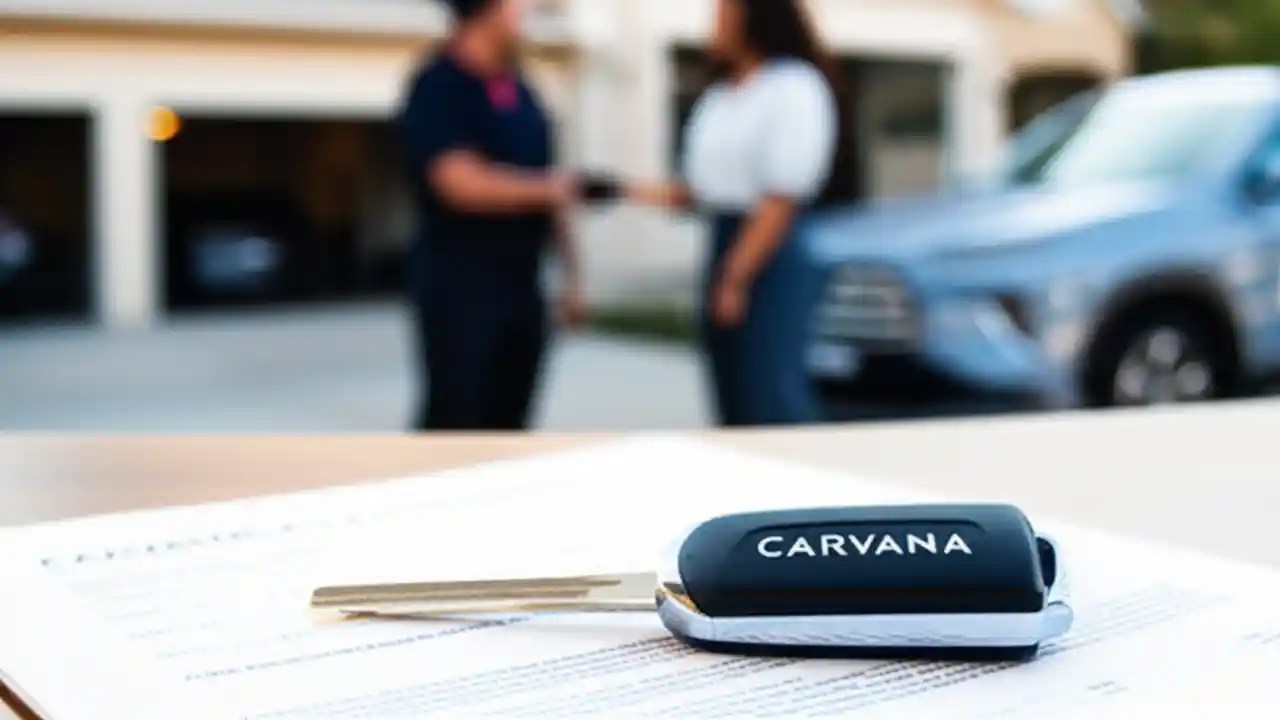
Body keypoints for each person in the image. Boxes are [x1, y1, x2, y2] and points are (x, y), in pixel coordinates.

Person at [626, 0, 858, 426]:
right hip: (724, 237)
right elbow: (701, 188)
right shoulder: (721, 96)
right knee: (730, 390)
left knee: (770, 388)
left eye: (723, 15)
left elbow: (781, 196)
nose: (713, 26)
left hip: (770, 248)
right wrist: (619, 189)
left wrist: (735, 277)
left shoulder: (794, 87)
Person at [400, 0, 586, 431]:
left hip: (522, 288)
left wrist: (573, 276)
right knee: (457, 420)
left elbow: (549, 180)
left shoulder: (519, 87)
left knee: (511, 423)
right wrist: (548, 189)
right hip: (461, 291)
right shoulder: (439, 84)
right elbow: (457, 182)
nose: (528, 7)